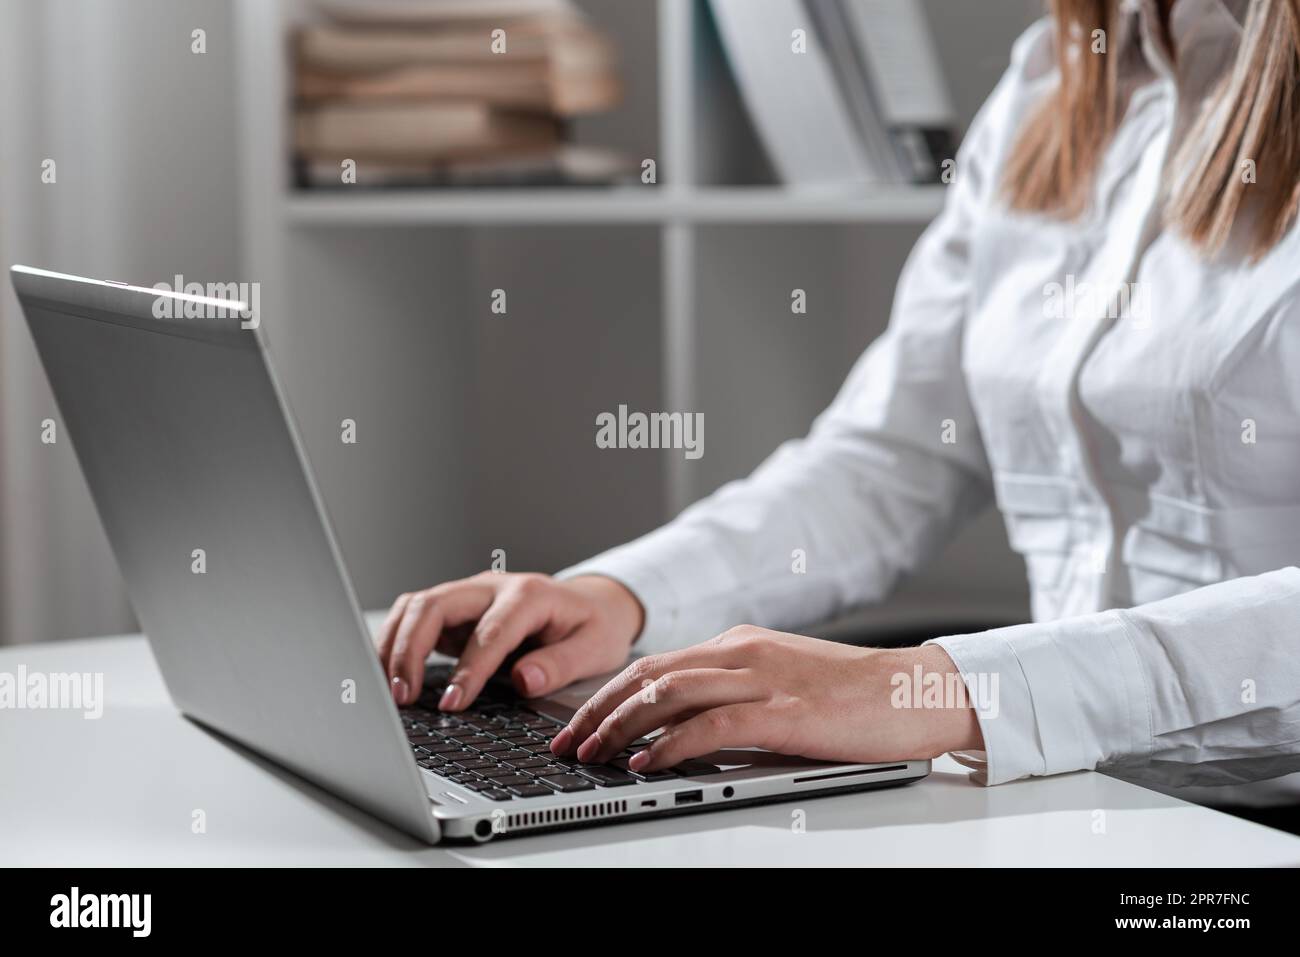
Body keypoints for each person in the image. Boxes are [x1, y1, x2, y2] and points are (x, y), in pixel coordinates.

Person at [379, 0, 1300, 796]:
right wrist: (623, 595)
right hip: (1054, 790)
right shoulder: (1052, 85)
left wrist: (942, 689)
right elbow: (899, 455)